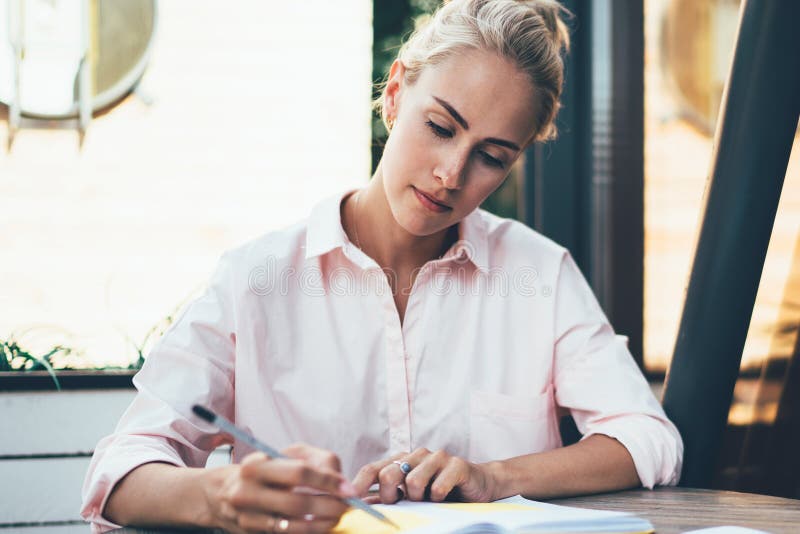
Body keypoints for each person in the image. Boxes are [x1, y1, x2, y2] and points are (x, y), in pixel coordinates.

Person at [81, 0, 683, 532]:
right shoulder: (255, 279)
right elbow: (119, 473)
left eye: (492, 158)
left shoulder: (540, 274)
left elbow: (649, 439)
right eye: (440, 127)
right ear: (395, 94)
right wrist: (223, 495)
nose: (451, 174)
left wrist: (495, 477)